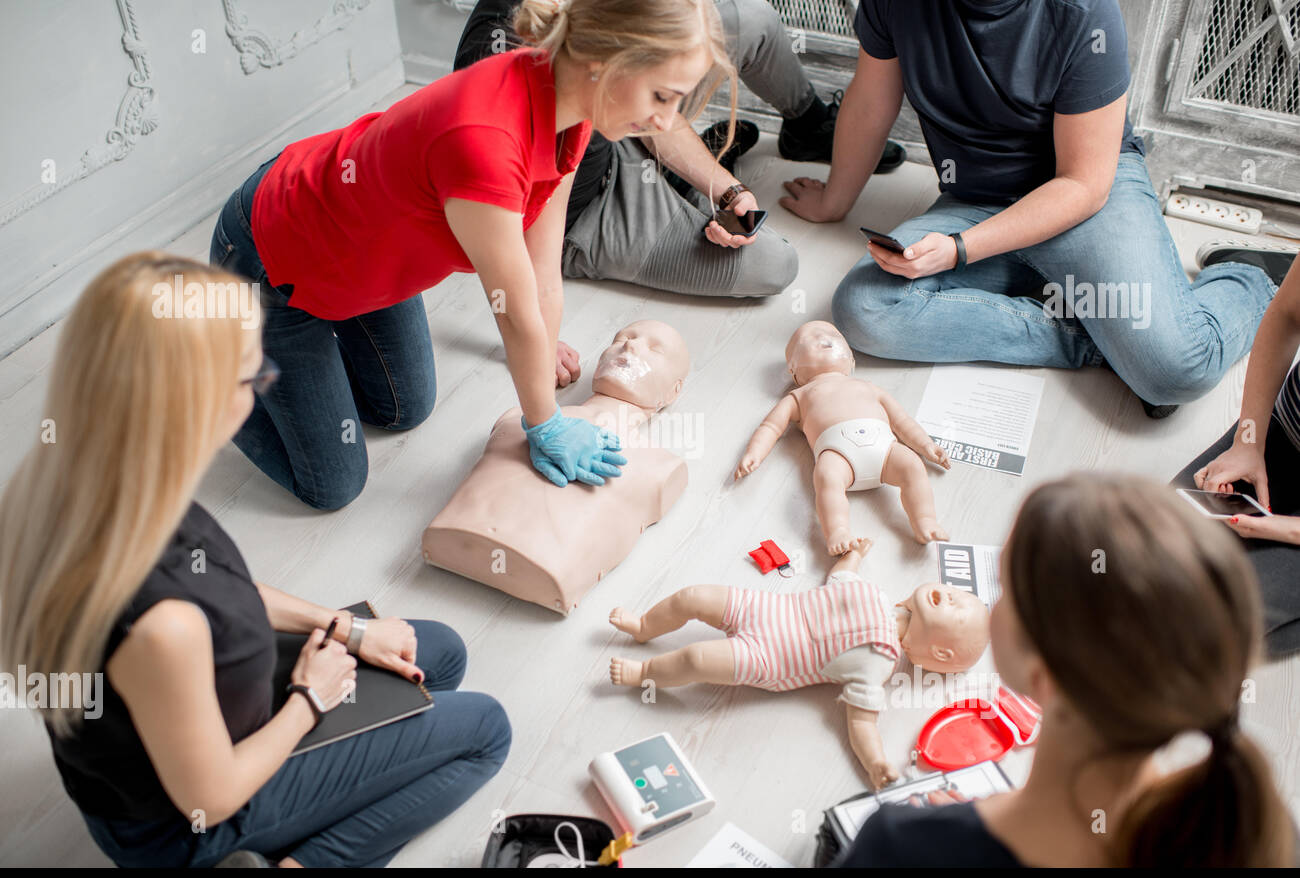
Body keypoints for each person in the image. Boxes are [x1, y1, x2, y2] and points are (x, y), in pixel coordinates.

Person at [0, 254, 511, 867]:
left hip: (202, 709)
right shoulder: (160, 626)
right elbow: (209, 798)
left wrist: (348, 628)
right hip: (187, 824)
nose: (263, 385)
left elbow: (217, 581)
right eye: (253, 377)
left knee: (441, 653)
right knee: (485, 730)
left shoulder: (96, 479)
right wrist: (309, 701)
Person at [213, 0, 734, 508]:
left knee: (401, 410)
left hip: (363, 256)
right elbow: (512, 310)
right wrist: (543, 421)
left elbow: (541, 271)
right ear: (606, 61)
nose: (666, 122)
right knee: (333, 487)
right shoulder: (484, 142)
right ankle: (193, 381)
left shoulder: (572, 112)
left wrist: (544, 355)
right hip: (276, 262)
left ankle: (303, 370)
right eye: (662, 97)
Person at [783, 0, 1280, 419]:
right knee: (865, 307)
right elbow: (871, 102)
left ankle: (1249, 278)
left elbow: (1084, 183)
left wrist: (960, 250)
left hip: (1086, 195)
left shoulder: (1084, 13)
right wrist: (834, 201)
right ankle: (1102, 342)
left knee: (1176, 372)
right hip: (976, 199)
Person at [837, 474, 1294, 867]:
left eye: (1005, 587)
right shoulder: (1254, 839)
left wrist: (953, 838)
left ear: (1043, 677)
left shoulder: (896, 846)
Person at [454, 0, 906, 299]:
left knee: (748, 17)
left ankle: (803, 129)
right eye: (665, 99)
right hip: (579, 211)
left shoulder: (611, 58)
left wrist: (729, 191)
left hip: (618, 117)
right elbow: (519, 248)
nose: (670, 116)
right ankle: (673, 182)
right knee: (773, 262)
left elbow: (649, 105)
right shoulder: (525, 80)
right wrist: (538, 332)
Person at [1177, 254, 1300, 659]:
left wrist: (1288, 530)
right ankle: (1250, 269)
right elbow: (1287, 314)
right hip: (1283, 439)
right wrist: (1249, 440)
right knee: (1135, 551)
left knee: (1206, 633)